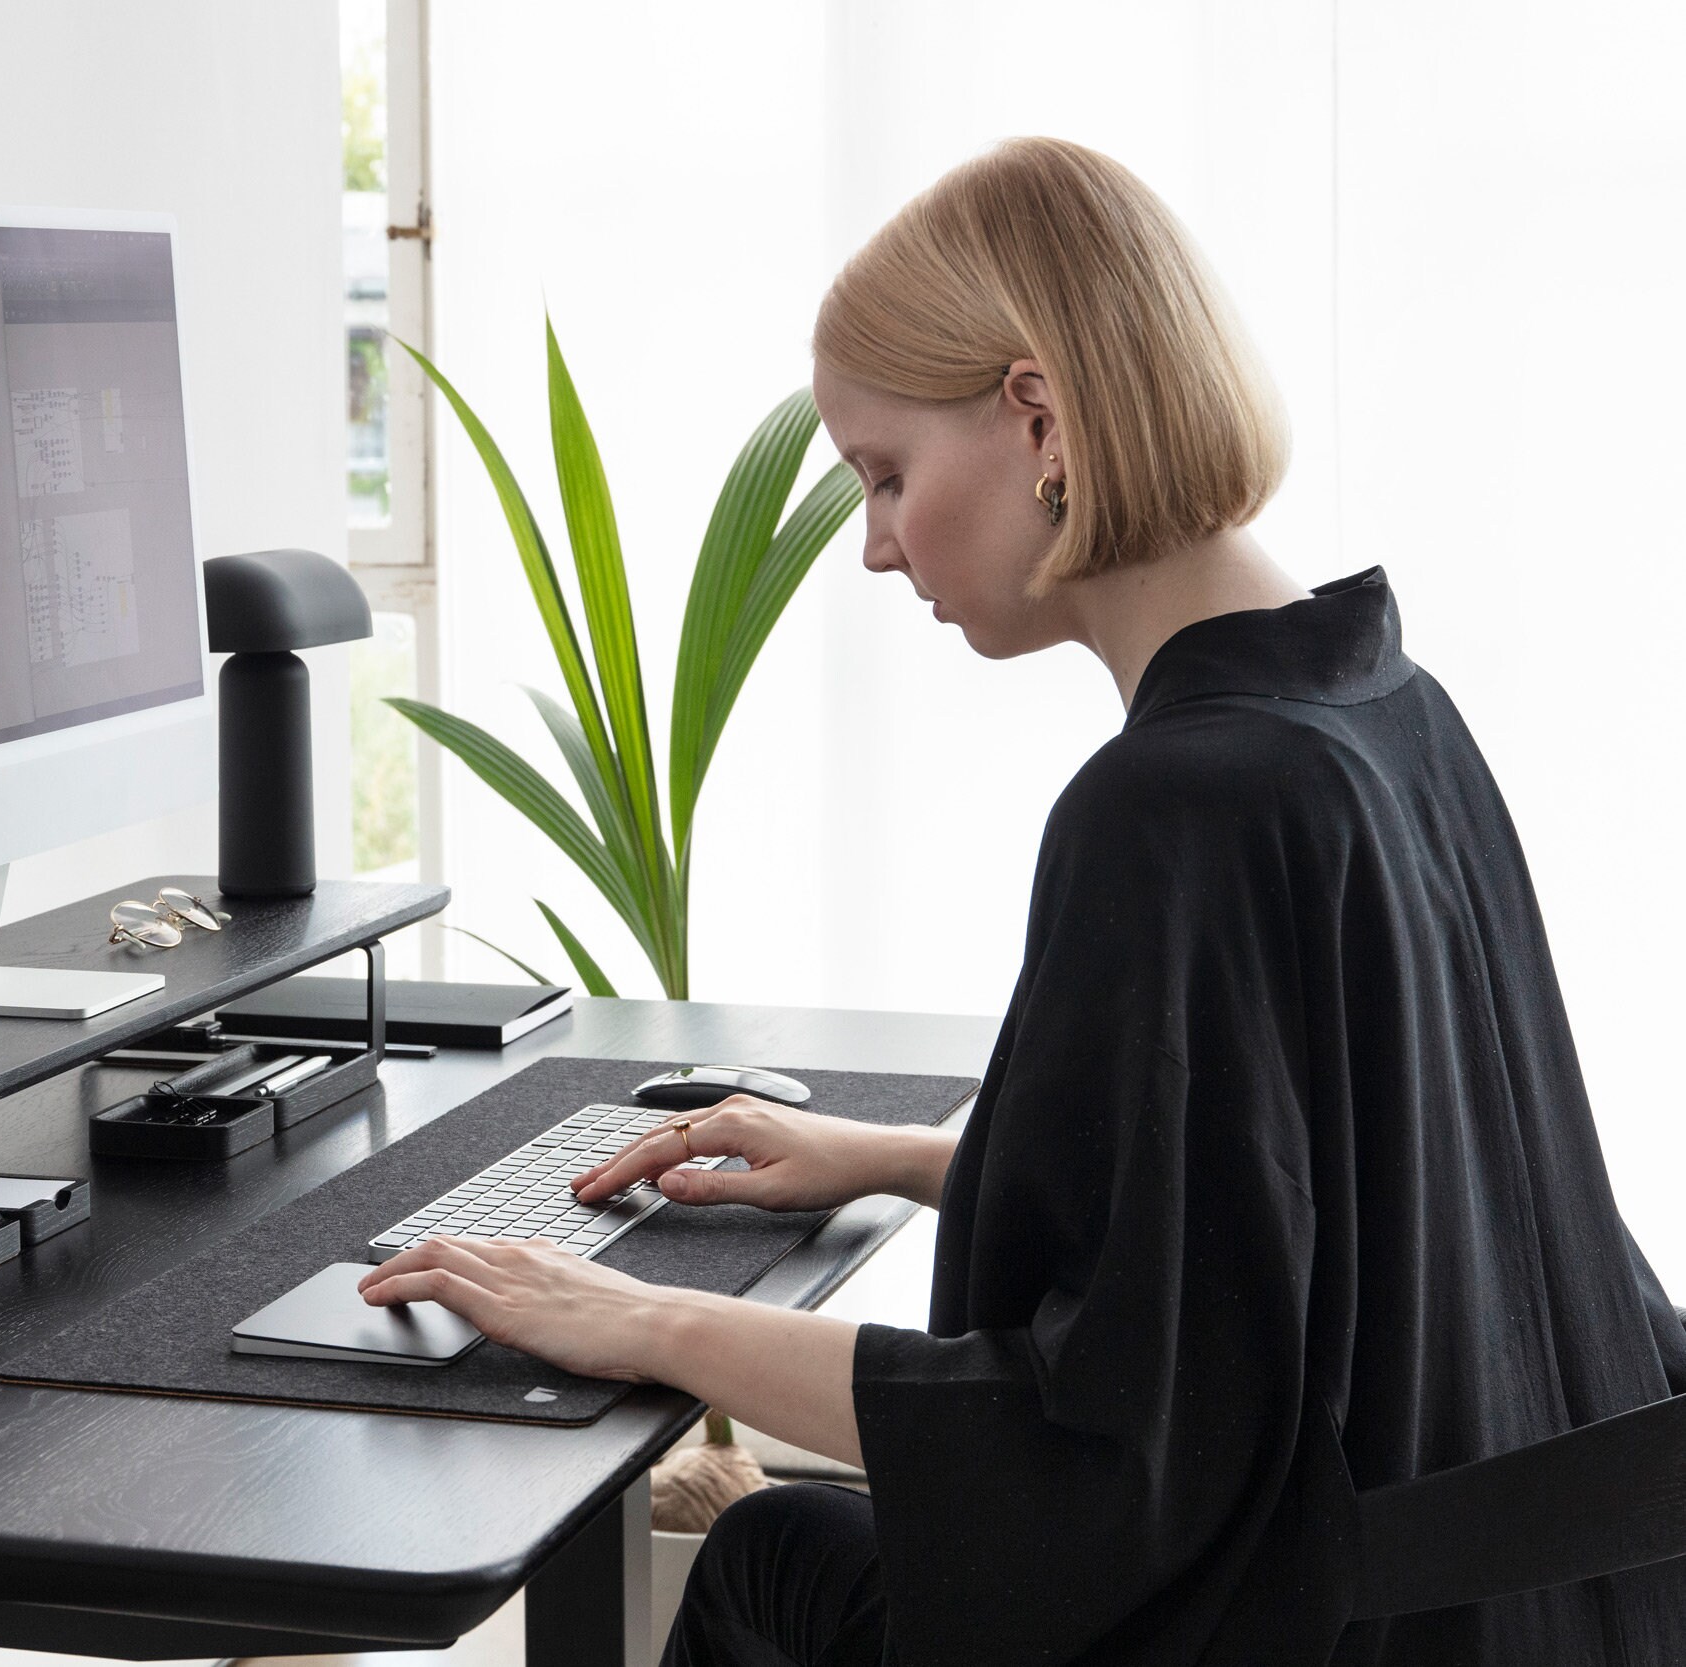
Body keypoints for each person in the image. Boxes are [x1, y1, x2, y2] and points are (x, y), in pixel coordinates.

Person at [358, 136, 1686, 1664]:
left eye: (886, 474)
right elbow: (1288, 1208)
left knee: (773, 1551)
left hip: (1316, 1628)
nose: (872, 543)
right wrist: (904, 1159)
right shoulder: (1384, 707)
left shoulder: (1177, 809)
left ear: (1038, 417)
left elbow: (1105, 1443)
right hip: (1536, 1612)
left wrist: (639, 1321)